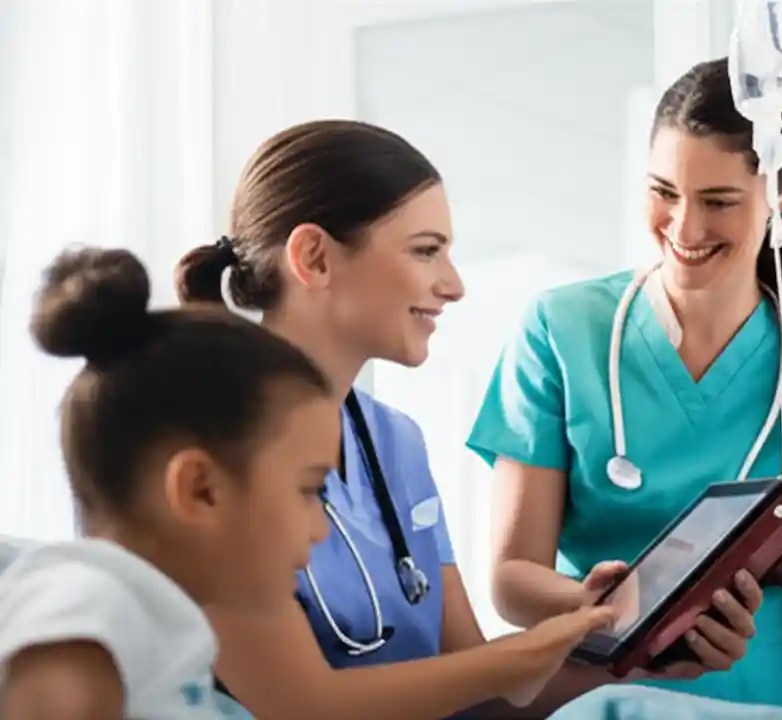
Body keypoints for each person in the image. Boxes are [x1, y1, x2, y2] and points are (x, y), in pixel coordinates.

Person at [468, 57, 782, 716]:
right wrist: (596, 606)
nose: (684, 228)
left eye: (718, 201)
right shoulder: (562, 331)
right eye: (662, 191)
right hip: (610, 702)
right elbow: (509, 579)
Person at [174, 119, 618, 720]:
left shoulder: (395, 444)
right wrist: (527, 651)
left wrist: (626, 655)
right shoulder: (202, 448)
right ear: (314, 257)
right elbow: (301, 705)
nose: (454, 284)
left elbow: (479, 696)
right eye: (425, 250)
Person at [0, 246, 336, 718]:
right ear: (200, 488)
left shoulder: (154, 624)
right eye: (308, 490)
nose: (320, 527)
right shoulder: (92, 602)